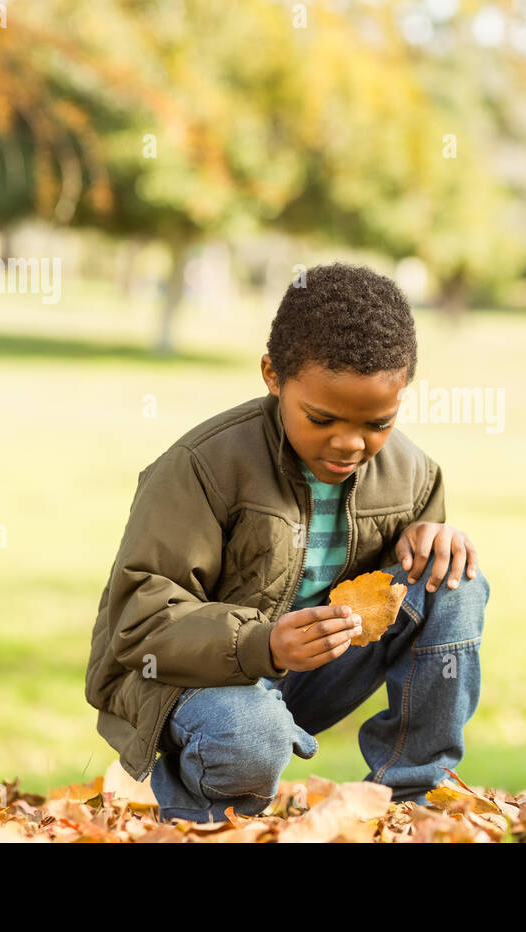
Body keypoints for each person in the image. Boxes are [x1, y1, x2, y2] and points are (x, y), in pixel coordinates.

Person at [84, 262, 489, 823]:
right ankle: (186, 798)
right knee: (251, 737)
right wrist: (263, 645)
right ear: (273, 375)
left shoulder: (413, 474)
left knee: (456, 580)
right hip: (185, 679)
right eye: (321, 418)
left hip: (307, 672)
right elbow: (139, 621)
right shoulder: (203, 466)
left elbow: (415, 599)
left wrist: (433, 539)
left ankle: (411, 798)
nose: (350, 443)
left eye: (377, 423)